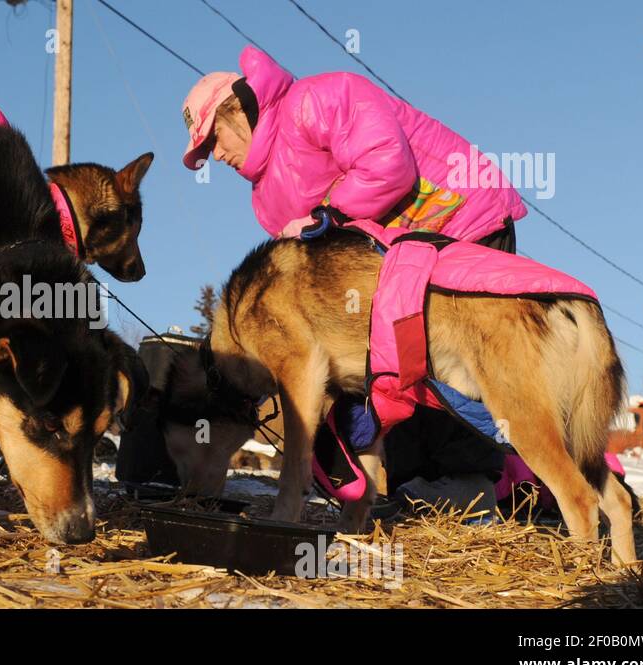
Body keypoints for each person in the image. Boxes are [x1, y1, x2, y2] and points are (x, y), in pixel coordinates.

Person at [181, 45, 529, 509]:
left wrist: (331, 214)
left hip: (462, 220)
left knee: (462, 360)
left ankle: (473, 483)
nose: (215, 155)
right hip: (396, 270)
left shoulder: (317, 99)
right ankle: (419, 490)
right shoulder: (265, 199)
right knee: (395, 365)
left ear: (239, 110)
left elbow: (389, 163)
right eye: (204, 150)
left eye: (213, 138)